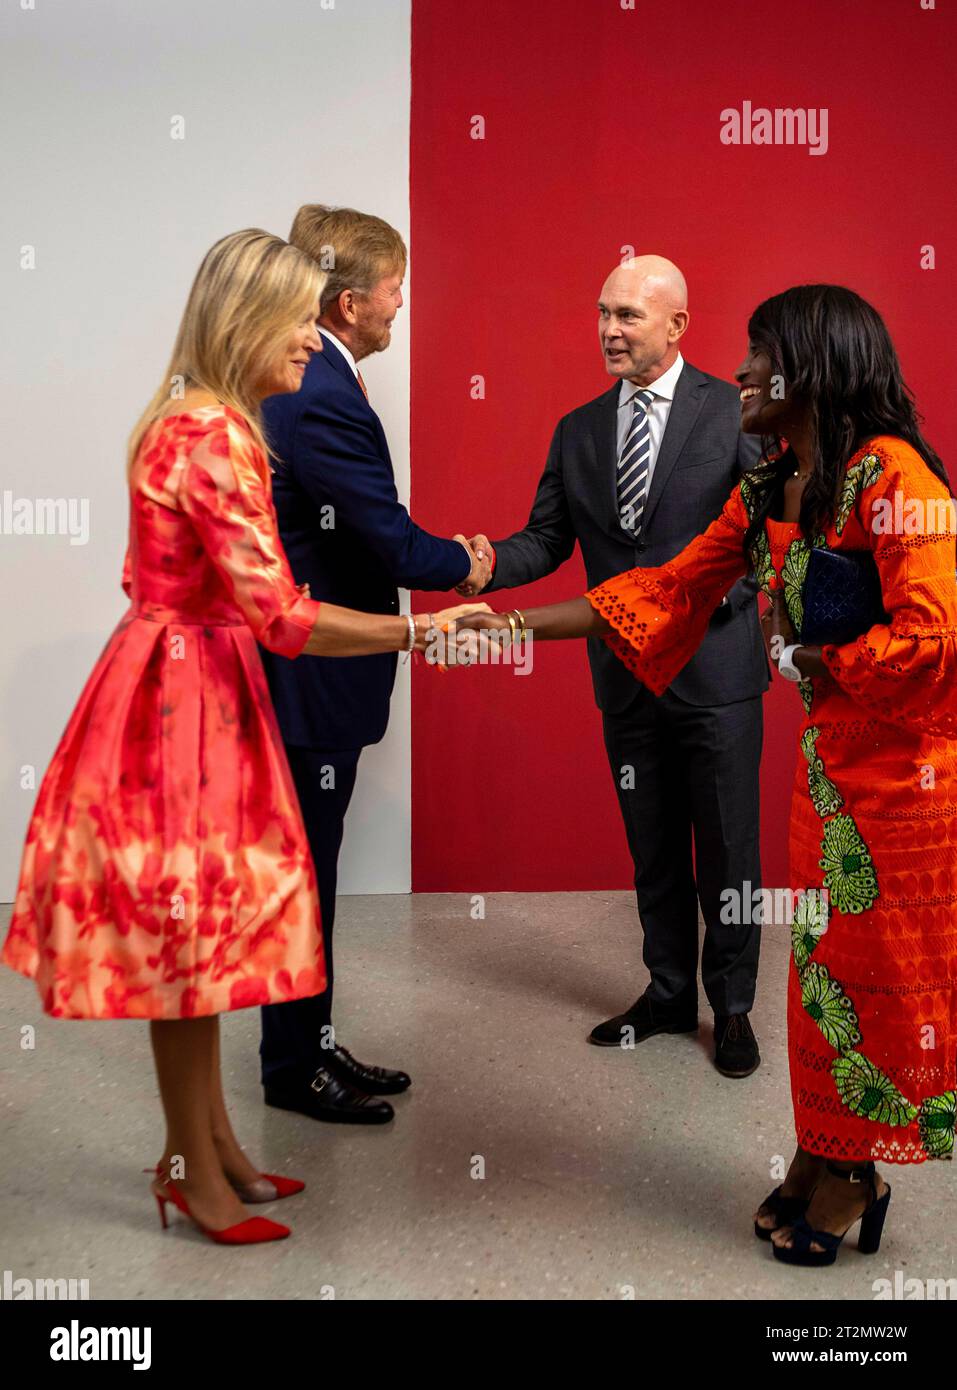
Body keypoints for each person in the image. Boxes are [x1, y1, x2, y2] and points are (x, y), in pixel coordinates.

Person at [455, 283, 957, 1265]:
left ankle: (856, 1172)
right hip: (833, 787)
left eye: (761, 352)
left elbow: (941, 638)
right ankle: (825, 1153)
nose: (743, 370)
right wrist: (503, 622)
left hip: (909, 798)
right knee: (824, 988)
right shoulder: (769, 488)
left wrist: (826, 661)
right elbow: (659, 590)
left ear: (813, 367)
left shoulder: (897, 479)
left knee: (880, 982)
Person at [1, 228, 483, 1245]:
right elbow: (283, 616)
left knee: (198, 936)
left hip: (163, 676)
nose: (314, 341)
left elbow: (148, 582)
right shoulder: (219, 433)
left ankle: (211, 1148)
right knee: (190, 941)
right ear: (250, 320)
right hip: (195, 702)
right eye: (300, 320)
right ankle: (188, 1167)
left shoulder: (175, 418)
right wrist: (419, 628)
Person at [461, 256, 767, 1077]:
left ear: (676, 326)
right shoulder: (578, 430)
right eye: (603, 312)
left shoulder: (733, 414)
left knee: (729, 848)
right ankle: (667, 993)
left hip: (715, 674)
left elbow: (769, 536)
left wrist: (754, 601)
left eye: (628, 315)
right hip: (624, 675)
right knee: (654, 843)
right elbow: (548, 541)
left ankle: (730, 1007)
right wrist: (484, 565)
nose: (608, 330)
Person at [257, 205, 490, 1125]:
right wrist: (468, 563)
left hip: (322, 665)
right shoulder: (318, 389)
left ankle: (305, 1044)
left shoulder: (317, 377)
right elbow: (388, 543)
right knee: (306, 870)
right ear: (352, 303)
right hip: (312, 669)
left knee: (314, 865)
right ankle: (291, 1067)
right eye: (396, 288)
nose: (403, 304)